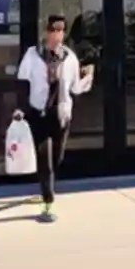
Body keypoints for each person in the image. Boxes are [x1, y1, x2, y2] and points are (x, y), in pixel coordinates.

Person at [15, 14, 93, 221]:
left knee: (57, 158)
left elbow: (75, 88)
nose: (56, 34)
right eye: (53, 30)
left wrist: (88, 78)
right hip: (38, 113)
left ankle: (44, 188)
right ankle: (48, 203)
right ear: (46, 31)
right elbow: (22, 82)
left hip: (62, 115)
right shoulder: (33, 55)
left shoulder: (70, 58)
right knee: (45, 160)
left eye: (60, 30)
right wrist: (20, 108)